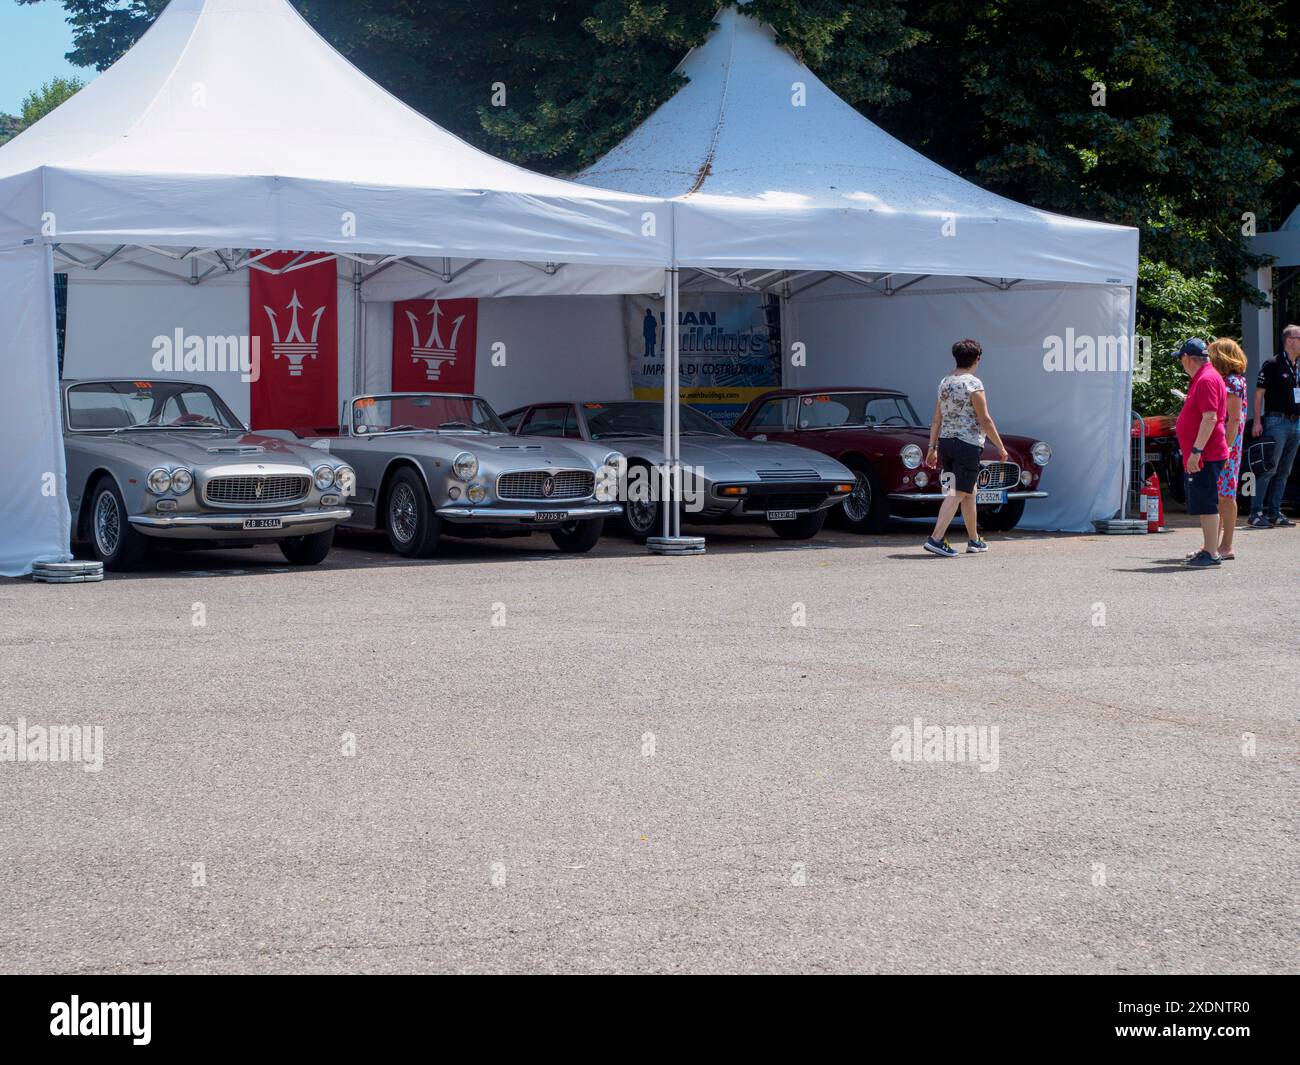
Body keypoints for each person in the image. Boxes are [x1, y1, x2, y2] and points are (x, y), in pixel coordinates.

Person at [922, 338, 1007, 557]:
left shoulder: (945, 382)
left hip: (946, 443)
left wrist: (932, 447)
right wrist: (1000, 447)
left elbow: (936, 418)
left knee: (969, 492)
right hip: (967, 444)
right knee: (958, 492)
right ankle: (936, 538)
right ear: (977, 359)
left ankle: (974, 540)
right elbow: (985, 419)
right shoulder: (973, 384)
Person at [1173, 338, 1229, 567]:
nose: (1181, 364)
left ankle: (1212, 553)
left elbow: (1210, 417)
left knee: (1206, 503)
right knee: (1205, 501)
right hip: (1206, 452)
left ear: (1187, 358)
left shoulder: (1206, 379)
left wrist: (1196, 451)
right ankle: (1208, 547)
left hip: (1207, 453)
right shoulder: (1204, 377)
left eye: (1181, 360)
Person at [1248, 323, 1300, 527]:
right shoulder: (1272, 364)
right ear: (1289, 340)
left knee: (1285, 470)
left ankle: (1274, 511)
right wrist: (1258, 421)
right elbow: (1258, 394)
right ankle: (1255, 512)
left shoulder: (1297, 365)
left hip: (1295, 423)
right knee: (1268, 468)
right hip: (1276, 421)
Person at [1207, 338, 1247, 559]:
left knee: (1226, 496)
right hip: (1227, 444)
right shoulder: (1232, 380)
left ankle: (1226, 545)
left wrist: (1228, 446)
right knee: (1221, 495)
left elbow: (1233, 419)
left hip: (1227, 445)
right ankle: (1216, 544)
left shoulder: (1232, 382)